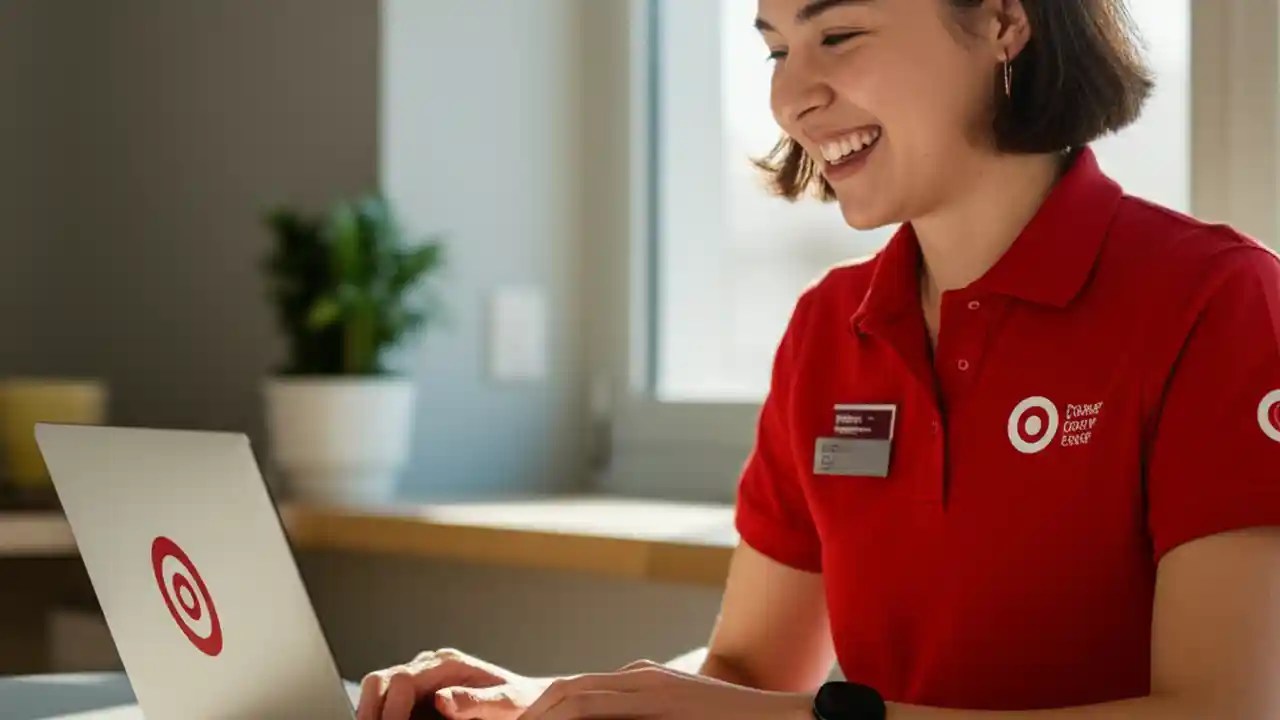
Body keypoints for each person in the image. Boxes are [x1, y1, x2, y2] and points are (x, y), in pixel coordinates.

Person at [357, 0, 1280, 718]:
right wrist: (560, 698)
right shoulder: (829, 329)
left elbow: (1223, 712)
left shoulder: (1219, 303)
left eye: (837, 34)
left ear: (1003, 22)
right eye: (775, 48)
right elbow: (748, 677)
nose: (789, 96)